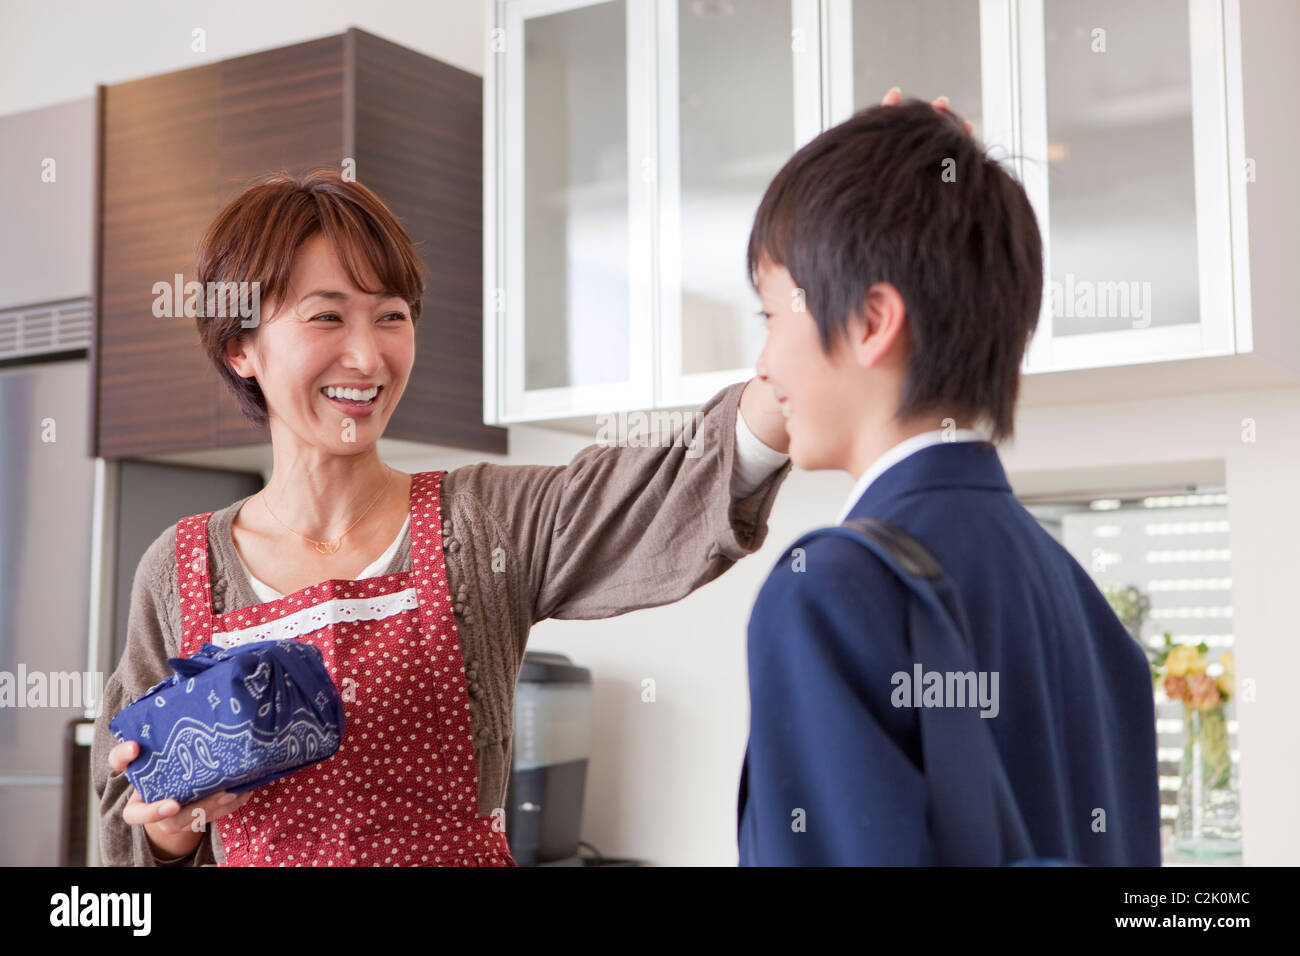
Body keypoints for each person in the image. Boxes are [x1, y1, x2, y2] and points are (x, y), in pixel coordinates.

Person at [93, 169, 794, 866]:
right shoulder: (181, 570)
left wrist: (825, 280)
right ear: (240, 348)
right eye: (327, 316)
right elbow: (127, 824)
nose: (368, 357)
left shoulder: (480, 524)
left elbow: (665, 485)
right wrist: (172, 827)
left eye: (391, 316)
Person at [736, 93, 1162, 865]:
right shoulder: (1091, 614)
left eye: (771, 317)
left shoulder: (827, 593)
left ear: (871, 322)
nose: (762, 366)